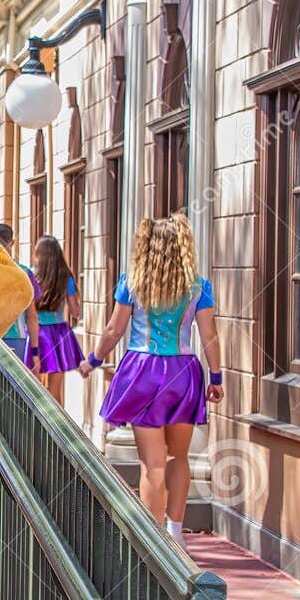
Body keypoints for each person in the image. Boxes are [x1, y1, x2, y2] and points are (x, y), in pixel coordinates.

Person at [79, 213, 223, 545]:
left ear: (146, 245)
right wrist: (215, 377)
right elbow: (209, 335)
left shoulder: (131, 283)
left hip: (143, 372)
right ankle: (176, 533)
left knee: (152, 464)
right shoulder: (199, 286)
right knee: (179, 458)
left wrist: (93, 360)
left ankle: (155, 542)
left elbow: (114, 329)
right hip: (184, 373)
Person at [27, 234, 81, 401]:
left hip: (36, 333)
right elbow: (75, 312)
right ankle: (56, 418)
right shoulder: (66, 278)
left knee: (34, 389)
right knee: (55, 392)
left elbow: (27, 310)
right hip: (59, 334)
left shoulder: (31, 276)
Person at [0, 223, 41, 366]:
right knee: (12, 379)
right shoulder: (25, 273)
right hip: (16, 339)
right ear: (12, 243)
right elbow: (32, 316)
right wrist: (35, 352)